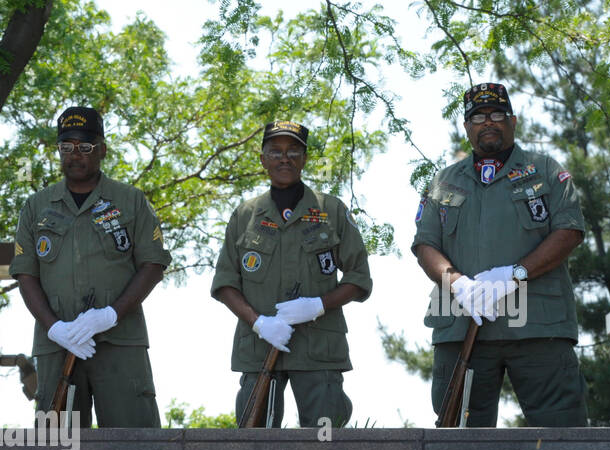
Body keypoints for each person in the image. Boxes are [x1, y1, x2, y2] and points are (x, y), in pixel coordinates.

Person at [412, 82, 588, 427]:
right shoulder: (443, 183)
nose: (487, 121)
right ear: (466, 127)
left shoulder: (546, 170)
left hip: (537, 326)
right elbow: (425, 245)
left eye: (496, 114)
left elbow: (569, 232)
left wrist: (514, 274)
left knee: (562, 435)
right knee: (459, 441)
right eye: (477, 116)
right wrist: (457, 283)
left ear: (513, 120)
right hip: (462, 327)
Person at [11, 106, 169, 427]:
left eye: (85, 147)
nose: (75, 155)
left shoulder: (131, 201)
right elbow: (25, 274)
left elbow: (152, 264)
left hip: (119, 341)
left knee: (135, 443)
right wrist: (54, 327)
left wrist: (110, 315)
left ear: (103, 150)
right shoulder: (36, 206)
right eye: (66, 147)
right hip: (57, 344)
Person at [211, 121, 373, 428]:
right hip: (259, 349)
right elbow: (224, 283)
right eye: (275, 151)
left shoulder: (331, 210)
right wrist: (259, 323)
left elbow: (359, 277)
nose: (284, 158)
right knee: (253, 445)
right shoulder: (245, 215)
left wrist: (318, 305)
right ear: (262, 159)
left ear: (305, 158)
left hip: (318, 350)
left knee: (325, 441)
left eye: (293, 151)